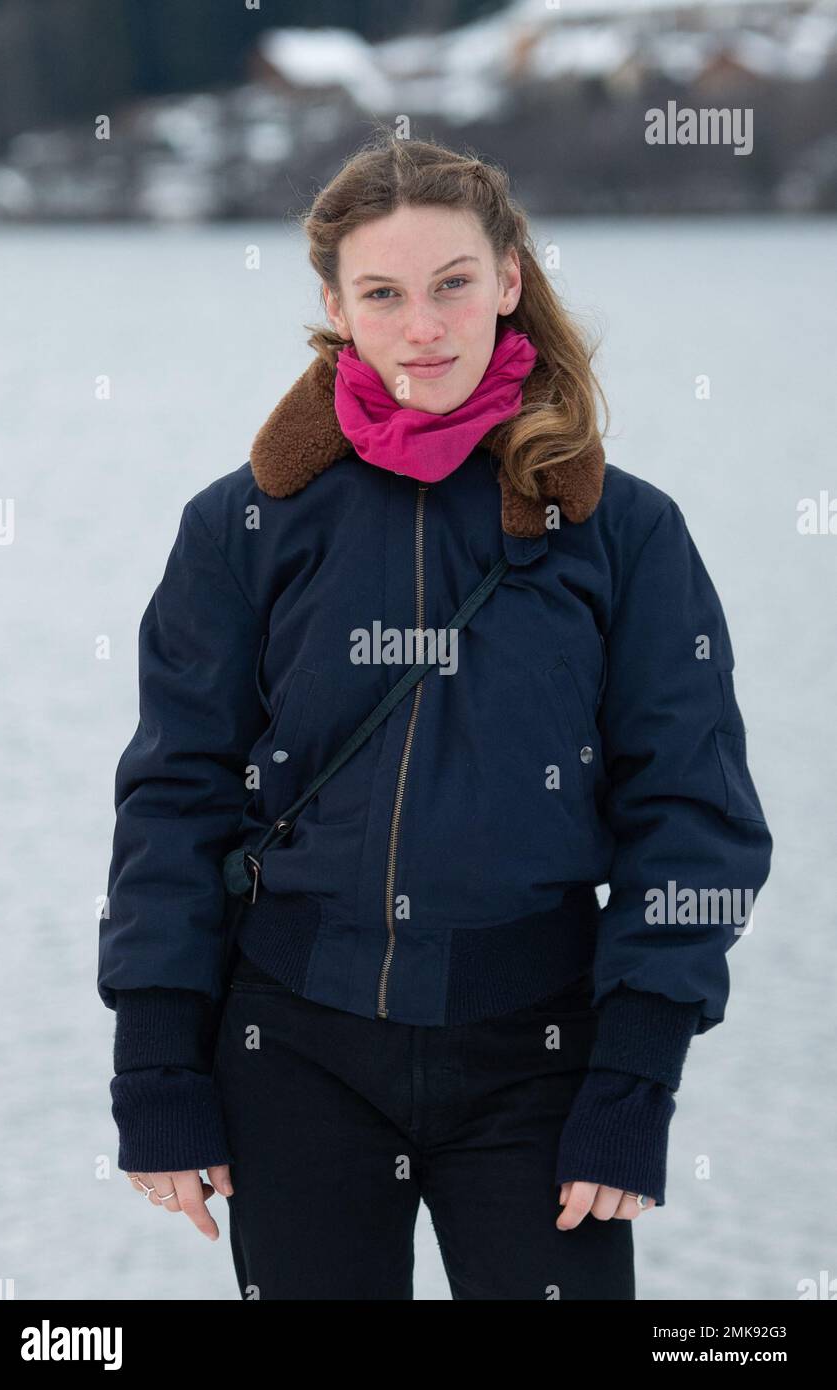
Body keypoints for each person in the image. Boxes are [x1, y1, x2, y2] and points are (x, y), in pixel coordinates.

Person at [98, 131, 773, 1301]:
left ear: (508, 280)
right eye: (384, 293)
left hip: (539, 1060)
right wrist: (157, 1063)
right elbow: (176, 797)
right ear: (333, 306)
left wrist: (632, 1080)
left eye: (453, 283)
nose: (424, 326)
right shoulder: (243, 527)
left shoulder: (622, 531)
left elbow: (692, 815)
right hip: (292, 1048)